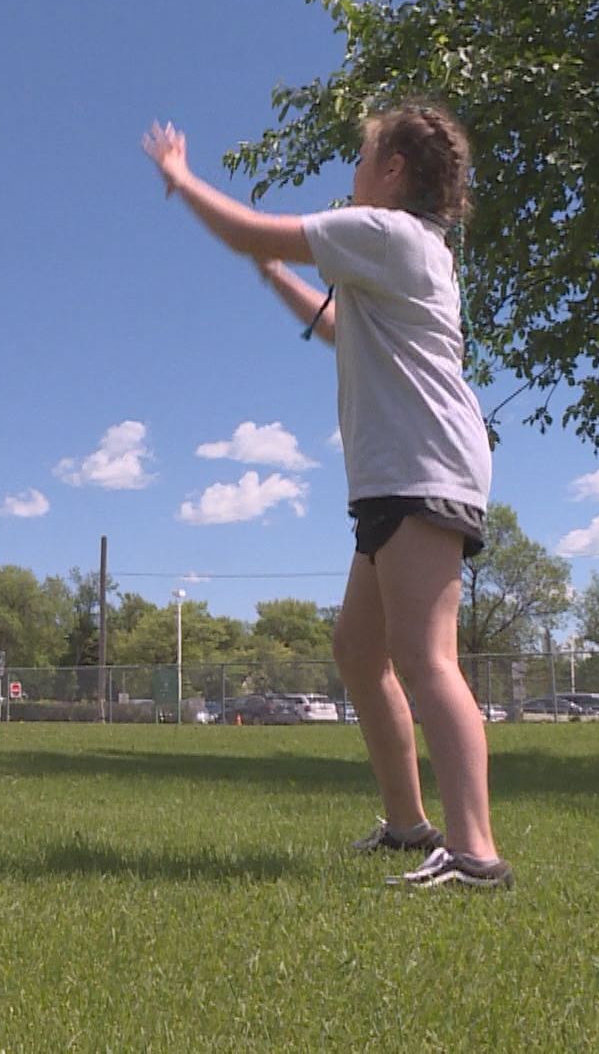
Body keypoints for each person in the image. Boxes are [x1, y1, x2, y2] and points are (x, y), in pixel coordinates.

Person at [143, 104, 512, 889]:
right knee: (358, 651)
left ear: (394, 170)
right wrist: (276, 273)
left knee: (423, 657)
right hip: (400, 473)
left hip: (423, 468)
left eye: (363, 154)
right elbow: (339, 328)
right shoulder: (410, 251)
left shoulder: (386, 233)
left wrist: (179, 178)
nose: (353, 171)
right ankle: (410, 827)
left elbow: (249, 228)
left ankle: (477, 854)